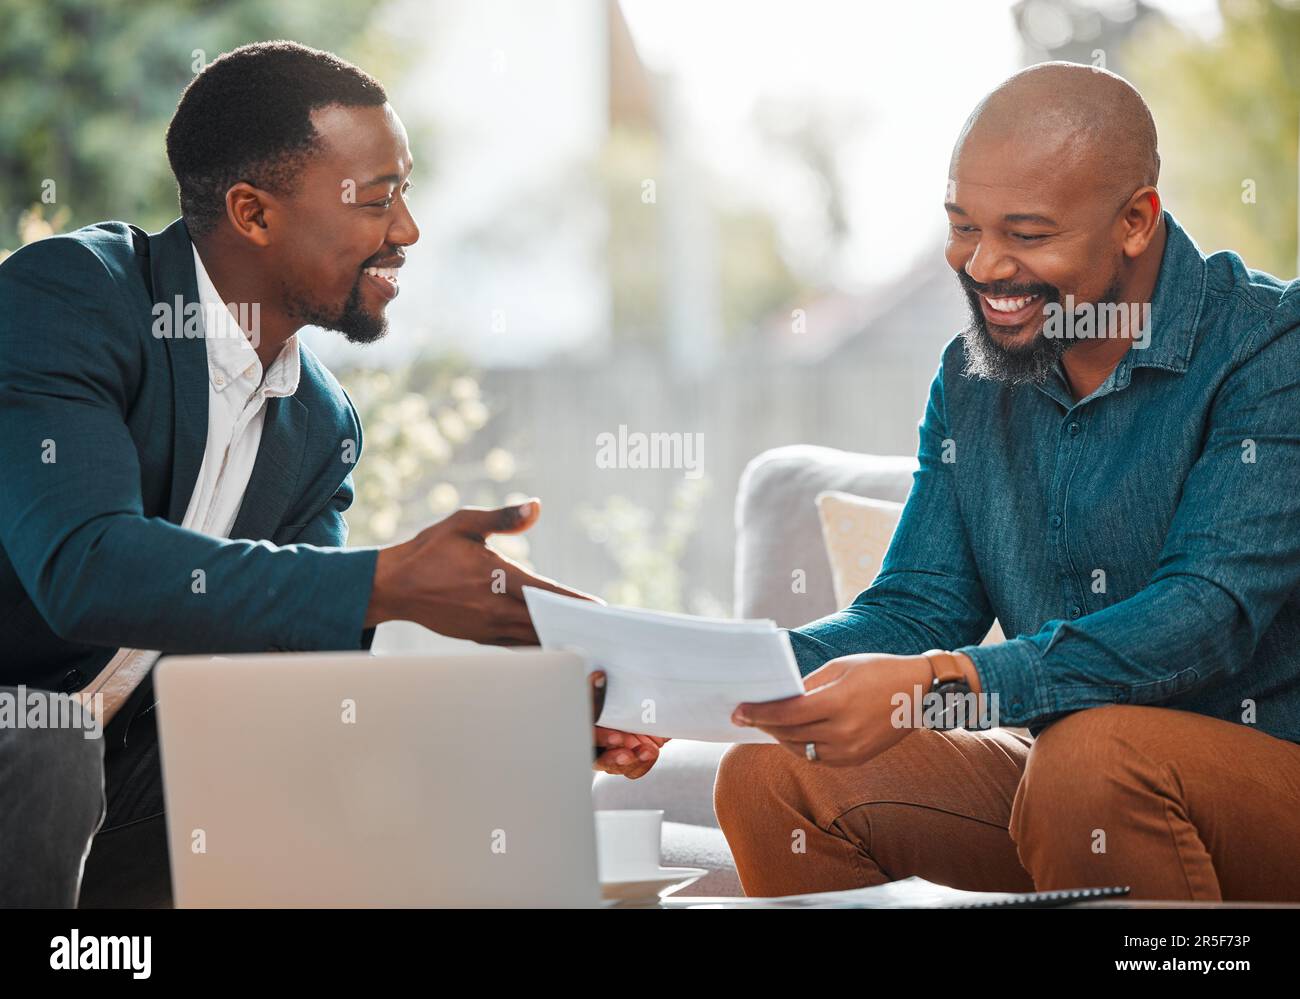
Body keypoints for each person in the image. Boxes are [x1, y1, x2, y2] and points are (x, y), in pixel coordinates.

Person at [0, 41, 658, 909]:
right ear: (254, 213)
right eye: (377, 200)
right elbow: (85, 566)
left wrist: (531, 724)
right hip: (27, 747)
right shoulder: (72, 295)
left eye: (407, 193)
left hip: (120, 783)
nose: (407, 231)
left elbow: (304, 690)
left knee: (258, 779)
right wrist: (392, 580)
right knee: (50, 745)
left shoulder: (318, 422)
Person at [715, 62, 1300, 902]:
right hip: (1064, 780)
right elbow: (915, 610)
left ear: (1135, 221)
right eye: (963, 226)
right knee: (775, 771)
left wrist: (952, 685)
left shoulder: (1269, 346)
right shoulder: (973, 376)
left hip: (1261, 777)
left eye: (1026, 235)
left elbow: (1207, 615)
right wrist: (698, 681)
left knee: (1089, 762)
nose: (982, 265)